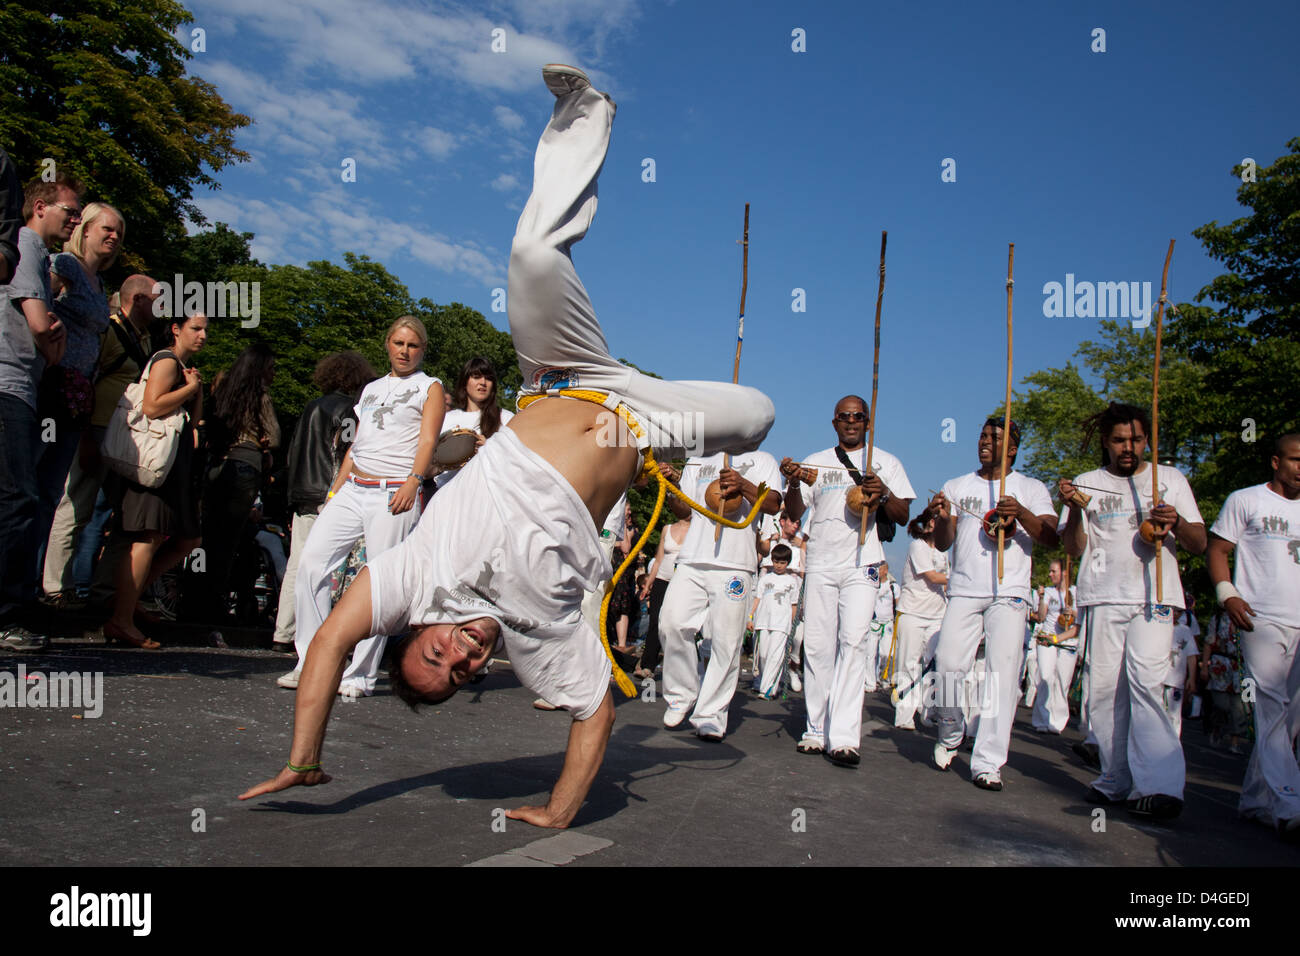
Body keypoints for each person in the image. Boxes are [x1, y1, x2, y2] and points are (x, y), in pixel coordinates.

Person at [239, 64, 774, 828]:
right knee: (756, 413)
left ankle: (584, 112)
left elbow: (326, 643)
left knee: (531, 256)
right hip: (640, 420)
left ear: (415, 630)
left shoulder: (415, 575)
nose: (459, 659)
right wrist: (560, 810)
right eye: (458, 677)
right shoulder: (538, 643)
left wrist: (303, 759)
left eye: (435, 658)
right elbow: (594, 715)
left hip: (566, 376)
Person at [280, 315, 445, 698]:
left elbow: (427, 441)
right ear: (387, 343)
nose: (405, 351)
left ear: (422, 350)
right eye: (399, 343)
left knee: (379, 583)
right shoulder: (369, 389)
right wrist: (334, 493)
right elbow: (357, 445)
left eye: (413, 345)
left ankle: (360, 674)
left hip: (394, 492)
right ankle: (313, 660)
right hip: (353, 488)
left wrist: (413, 481)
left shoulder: (429, 387)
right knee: (311, 565)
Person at [1059, 402, 1206, 819]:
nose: (1129, 447)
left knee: (1149, 684)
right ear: (1106, 442)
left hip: (1154, 597)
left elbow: (1198, 543)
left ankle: (1160, 787)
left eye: (1137, 440)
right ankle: (1115, 777)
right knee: (1104, 692)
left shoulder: (1169, 479)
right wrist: (1072, 508)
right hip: (1103, 595)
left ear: (1147, 440)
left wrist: (1174, 521)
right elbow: (1074, 548)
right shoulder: (1088, 482)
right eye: (1120, 440)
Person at [780, 396, 914, 766]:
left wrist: (883, 490)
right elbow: (793, 513)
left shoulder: (886, 461)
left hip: (863, 564)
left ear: (868, 422)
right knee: (819, 647)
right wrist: (792, 483)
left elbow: (902, 515)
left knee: (853, 643)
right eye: (844, 417)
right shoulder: (817, 462)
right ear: (834, 422)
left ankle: (843, 737)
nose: (851, 422)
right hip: (822, 563)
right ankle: (815, 729)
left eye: (858, 417)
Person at [928, 419, 1058, 790]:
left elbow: (1050, 537)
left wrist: (1022, 513)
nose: (986, 442)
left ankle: (988, 761)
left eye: (996, 438)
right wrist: (940, 517)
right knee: (950, 663)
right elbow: (943, 543)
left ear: (1013, 448)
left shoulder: (1030, 488)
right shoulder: (957, 486)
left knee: (1002, 675)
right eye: (983, 436)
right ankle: (951, 731)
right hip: (965, 588)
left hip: (1010, 590)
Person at [42, 274, 158, 607]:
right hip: (95, 428)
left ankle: (87, 587)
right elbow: (89, 378)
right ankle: (54, 587)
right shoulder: (109, 331)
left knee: (106, 512)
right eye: (156, 299)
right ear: (137, 299)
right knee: (76, 505)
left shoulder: (144, 338)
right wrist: (84, 436)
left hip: (120, 435)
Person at [0, 173, 80, 650]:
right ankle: (7, 616)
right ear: (37, 207)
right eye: (69, 210)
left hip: (19, 389)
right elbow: (40, 326)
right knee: (19, 499)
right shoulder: (27, 243)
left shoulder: (38, 255)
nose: (74, 218)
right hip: (9, 385)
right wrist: (54, 339)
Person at [1207, 433, 1300, 840]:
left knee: (1290, 720)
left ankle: (1256, 799)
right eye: (1296, 460)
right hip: (1259, 619)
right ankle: (1291, 804)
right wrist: (1227, 594)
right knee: (1271, 708)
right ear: (1276, 462)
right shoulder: (1246, 500)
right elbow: (1217, 549)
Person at [659, 449, 783, 739]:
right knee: (671, 623)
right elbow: (684, 510)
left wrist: (744, 485)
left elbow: (775, 504)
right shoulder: (698, 459)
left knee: (726, 643)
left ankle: (711, 714)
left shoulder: (763, 459)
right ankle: (682, 694)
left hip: (735, 564)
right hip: (693, 559)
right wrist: (672, 488)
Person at [103, 312, 209, 649]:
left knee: (186, 539)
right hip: (154, 464)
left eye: (206, 329)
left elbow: (193, 423)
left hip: (170, 467)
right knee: (147, 538)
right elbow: (151, 407)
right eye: (196, 328)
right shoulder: (165, 361)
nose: (203, 335)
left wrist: (196, 389)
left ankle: (127, 602)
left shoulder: (182, 368)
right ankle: (121, 618)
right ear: (176, 330)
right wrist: (190, 387)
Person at [34, 203, 123, 584]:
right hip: (51, 383)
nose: (114, 237)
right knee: (30, 484)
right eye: (106, 228)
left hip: (77, 394)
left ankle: (33, 585)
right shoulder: (64, 265)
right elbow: (34, 302)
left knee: (51, 491)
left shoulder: (100, 283)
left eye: (119, 232)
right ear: (84, 229)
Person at [271, 351, 374, 649]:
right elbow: (349, 453)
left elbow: (293, 453)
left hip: (302, 492)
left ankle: (283, 630)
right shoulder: (348, 411)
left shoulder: (310, 407)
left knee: (297, 563)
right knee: (326, 567)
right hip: (328, 493)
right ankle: (315, 632)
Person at [190, 343, 280, 623]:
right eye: (271, 368)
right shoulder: (259, 396)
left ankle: (192, 599)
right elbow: (275, 436)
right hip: (245, 467)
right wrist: (263, 443)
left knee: (205, 538)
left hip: (216, 465)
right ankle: (216, 605)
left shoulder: (223, 391)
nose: (274, 374)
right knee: (229, 541)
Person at [892, 508, 948, 730]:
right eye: (934, 521)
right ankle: (905, 714)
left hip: (938, 614)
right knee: (908, 664)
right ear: (927, 525)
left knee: (934, 665)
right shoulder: (918, 545)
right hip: (913, 612)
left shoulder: (944, 551)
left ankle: (929, 711)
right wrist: (963, 578)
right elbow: (932, 576)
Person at [434, 355, 513, 490]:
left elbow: (517, 463)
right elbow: (430, 468)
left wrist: (490, 448)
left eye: (488, 378)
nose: (483, 382)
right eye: (476, 377)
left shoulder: (506, 418)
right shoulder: (447, 419)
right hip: (449, 495)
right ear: (465, 383)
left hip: (490, 495)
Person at [635, 514, 688, 680]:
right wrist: (648, 584)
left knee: (677, 623)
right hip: (661, 580)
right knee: (655, 621)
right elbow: (658, 559)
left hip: (682, 582)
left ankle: (679, 667)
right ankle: (647, 665)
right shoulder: (667, 528)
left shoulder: (696, 530)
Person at [1030, 558, 1080, 734]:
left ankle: (1057, 721)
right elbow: (1041, 617)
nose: (1050, 574)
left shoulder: (1076, 593)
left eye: (1054, 571)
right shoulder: (1050, 592)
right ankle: (1041, 719)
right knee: (1045, 676)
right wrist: (1042, 598)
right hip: (1048, 640)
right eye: (1050, 571)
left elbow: (1080, 621)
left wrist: (1072, 611)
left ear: (1064, 572)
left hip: (1068, 641)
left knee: (1062, 681)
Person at [750, 543, 800, 698]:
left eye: (782, 562)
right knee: (763, 655)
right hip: (764, 620)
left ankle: (768, 689)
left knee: (775, 655)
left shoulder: (791, 581)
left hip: (782, 623)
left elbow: (794, 605)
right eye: (776, 562)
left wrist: (792, 625)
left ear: (788, 563)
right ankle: (765, 682)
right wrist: (750, 617)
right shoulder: (765, 579)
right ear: (772, 561)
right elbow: (757, 598)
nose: (779, 565)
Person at [1165, 608, 1198, 740]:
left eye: (1180, 611)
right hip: (1157, 678)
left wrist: (1192, 678)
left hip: (1176, 679)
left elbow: (1191, 655)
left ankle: (1173, 746)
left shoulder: (1185, 630)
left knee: (1173, 714)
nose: (1176, 614)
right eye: (1174, 610)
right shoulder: (1156, 628)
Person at [867, 560, 900, 693]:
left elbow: (898, 605)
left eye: (880, 569)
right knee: (870, 654)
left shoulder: (894, 587)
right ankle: (870, 682)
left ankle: (884, 678)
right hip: (874, 623)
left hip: (888, 623)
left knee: (885, 653)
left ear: (885, 570)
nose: (877, 571)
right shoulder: (872, 585)